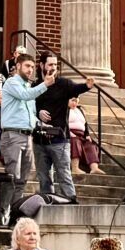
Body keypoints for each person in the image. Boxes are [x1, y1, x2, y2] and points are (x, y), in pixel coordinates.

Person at [0, 52, 53, 225]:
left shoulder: (28, 88)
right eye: (27, 66)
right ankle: (3, 215)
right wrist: (45, 84)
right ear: (18, 66)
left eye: (32, 66)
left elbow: (29, 114)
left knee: (22, 180)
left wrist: (41, 124)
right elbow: (24, 96)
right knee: (11, 177)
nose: (30, 70)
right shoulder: (12, 82)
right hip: (12, 135)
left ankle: (15, 215)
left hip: (27, 136)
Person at [32, 53, 90, 201]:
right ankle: (47, 203)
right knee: (44, 178)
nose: (53, 68)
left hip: (59, 140)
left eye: (55, 65)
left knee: (64, 174)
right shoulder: (35, 86)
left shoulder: (63, 84)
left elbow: (77, 88)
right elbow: (29, 106)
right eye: (50, 64)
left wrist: (87, 85)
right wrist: (38, 113)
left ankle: (71, 202)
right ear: (42, 66)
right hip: (39, 140)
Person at [67, 96, 104, 176]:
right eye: (72, 101)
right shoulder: (64, 110)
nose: (74, 103)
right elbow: (63, 123)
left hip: (82, 134)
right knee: (75, 141)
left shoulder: (79, 110)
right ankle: (75, 168)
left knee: (90, 144)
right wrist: (69, 133)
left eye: (76, 101)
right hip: (70, 134)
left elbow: (85, 124)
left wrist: (87, 134)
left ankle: (94, 168)